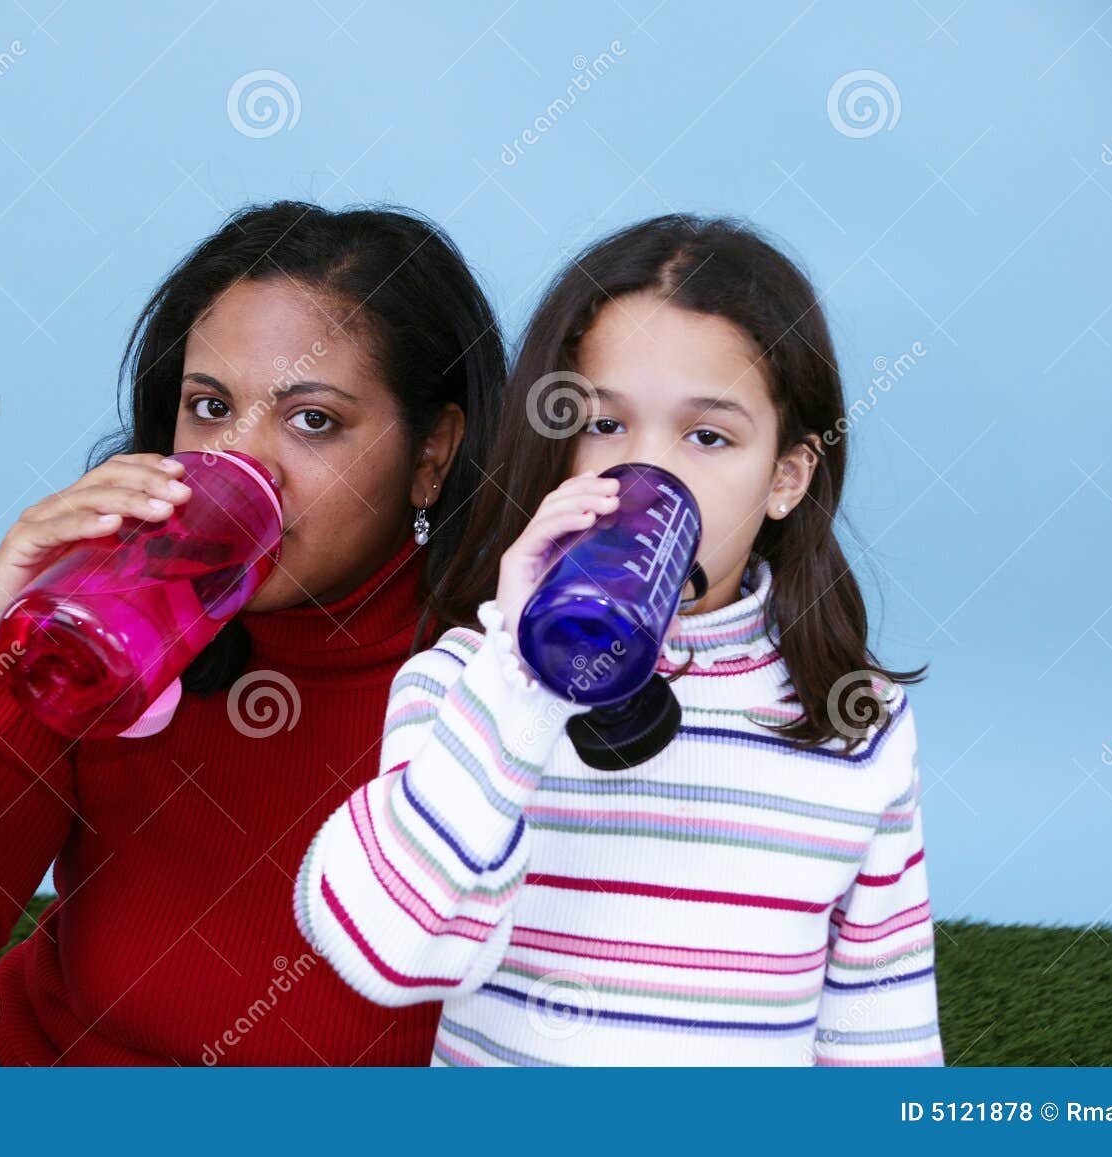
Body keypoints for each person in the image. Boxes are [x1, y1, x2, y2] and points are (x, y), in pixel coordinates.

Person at [0, 200, 505, 1065]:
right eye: (209, 407)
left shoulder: (504, 685)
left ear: (431, 454)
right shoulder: (116, 624)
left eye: (313, 419)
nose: (242, 463)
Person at [294, 213, 943, 1066]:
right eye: (604, 425)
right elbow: (388, 949)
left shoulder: (855, 723)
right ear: (559, 449)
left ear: (785, 478)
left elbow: (879, 1042)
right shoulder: (465, 681)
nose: (650, 473)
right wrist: (524, 676)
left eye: (708, 436)